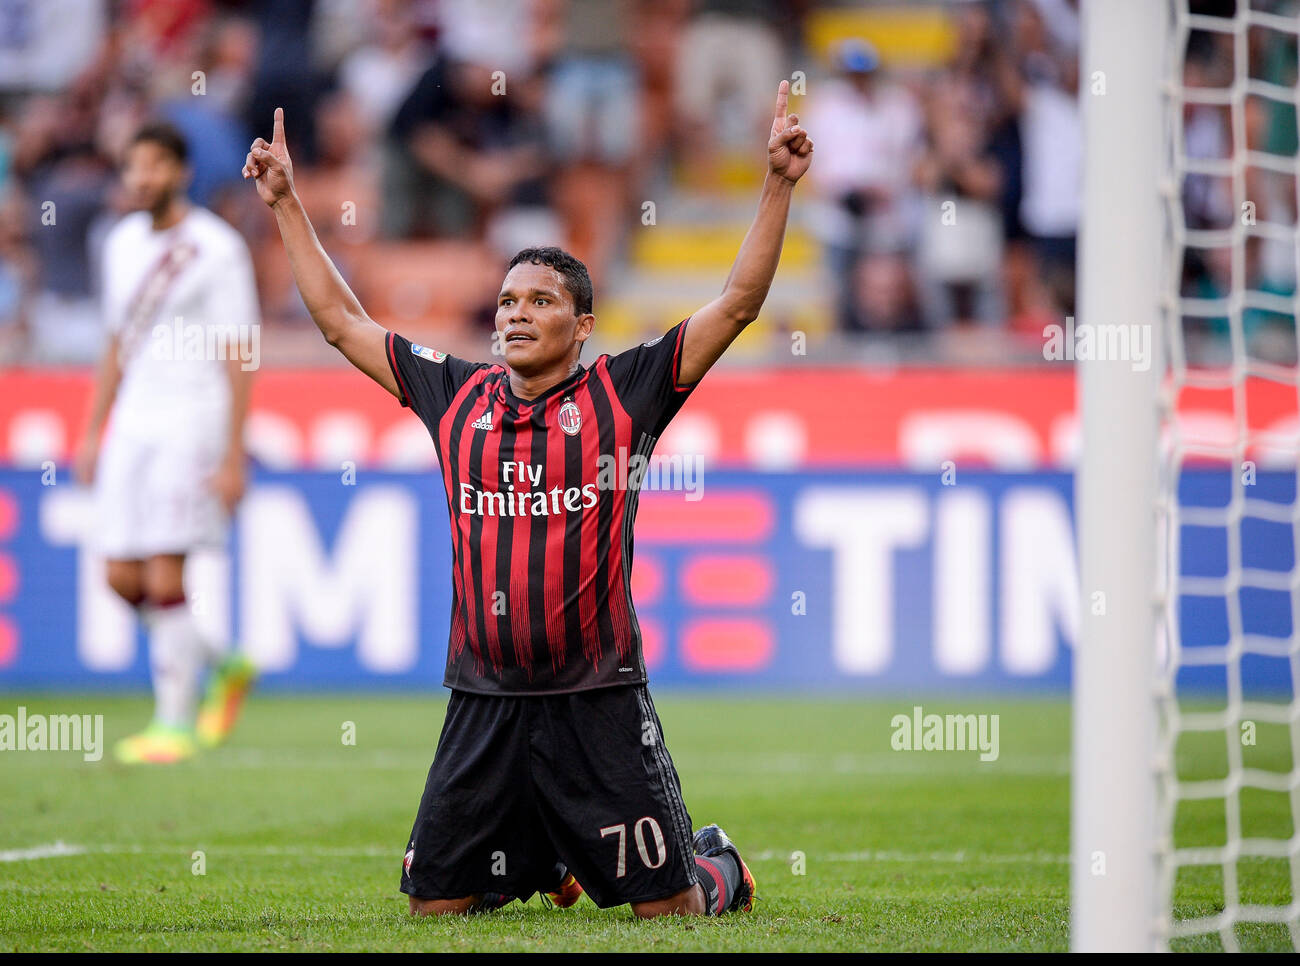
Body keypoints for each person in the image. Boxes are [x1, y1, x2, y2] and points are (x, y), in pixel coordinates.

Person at [242, 82, 813, 917]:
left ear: (581, 326)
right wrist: (288, 202)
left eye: (540, 301)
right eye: (509, 300)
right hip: (484, 695)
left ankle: (719, 865)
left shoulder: (626, 394)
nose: (516, 314)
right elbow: (339, 322)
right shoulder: (455, 395)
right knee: (434, 912)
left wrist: (777, 185)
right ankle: (545, 856)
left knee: (674, 915)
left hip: (597, 693)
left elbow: (737, 304)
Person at [75, 123, 258, 765]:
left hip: (193, 417)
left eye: (153, 166)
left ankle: (173, 723)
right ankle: (223, 661)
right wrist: (94, 430)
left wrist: (234, 453)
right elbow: (114, 343)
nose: (141, 178)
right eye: (132, 167)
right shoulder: (120, 242)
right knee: (121, 577)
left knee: (164, 568)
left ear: (180, 171)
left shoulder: (217, 247)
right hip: (134, 420)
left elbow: (241, 348)